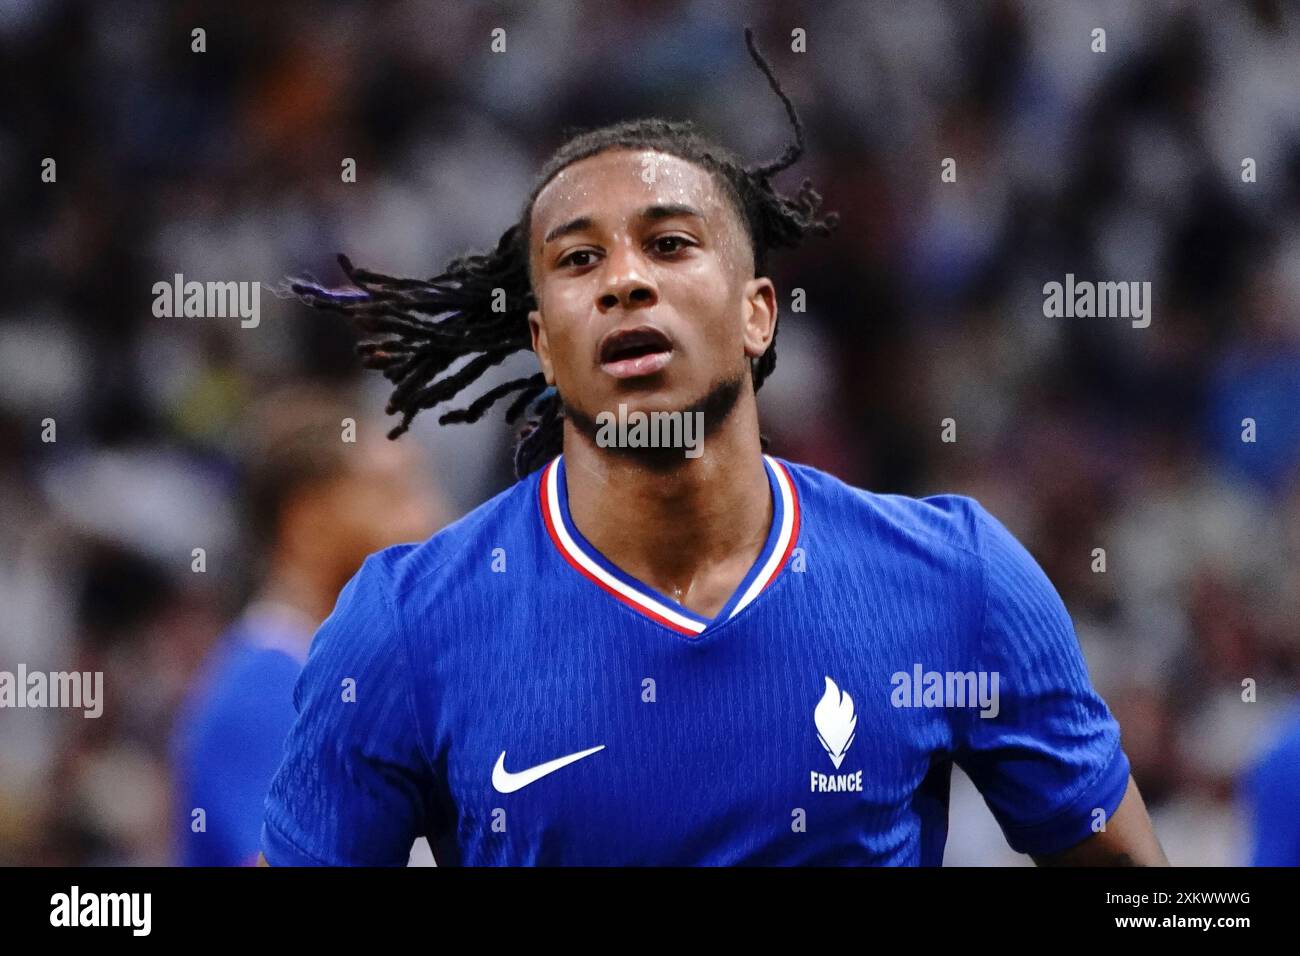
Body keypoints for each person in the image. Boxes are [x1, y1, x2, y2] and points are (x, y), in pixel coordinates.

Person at [260, 28, 1166, 866]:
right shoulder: (406, 626)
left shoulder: (955, 579)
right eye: (579, 260)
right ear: (541, 342)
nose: (624, 280)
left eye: (670, 243)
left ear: (757, 316)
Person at [172, 386, 443, 865]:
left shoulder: (384, 679)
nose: (430, 518)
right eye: (392, 493)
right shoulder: (263, 697)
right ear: (307, 523)